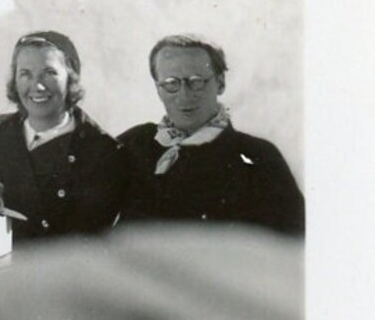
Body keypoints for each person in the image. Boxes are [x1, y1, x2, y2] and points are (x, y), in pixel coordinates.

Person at [117, 34, 304, 235]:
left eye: (196, 82)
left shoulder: (258, 157)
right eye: (171, 83)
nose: (184, 95)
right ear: (158, 89)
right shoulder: (134, 144)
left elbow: (290, 249)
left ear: (220, 83)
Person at [0, 31, 127, 238]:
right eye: (25, 74)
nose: (37, 87)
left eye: (49, 73)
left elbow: (89, 241)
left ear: (71, 77)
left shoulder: (101, 151)